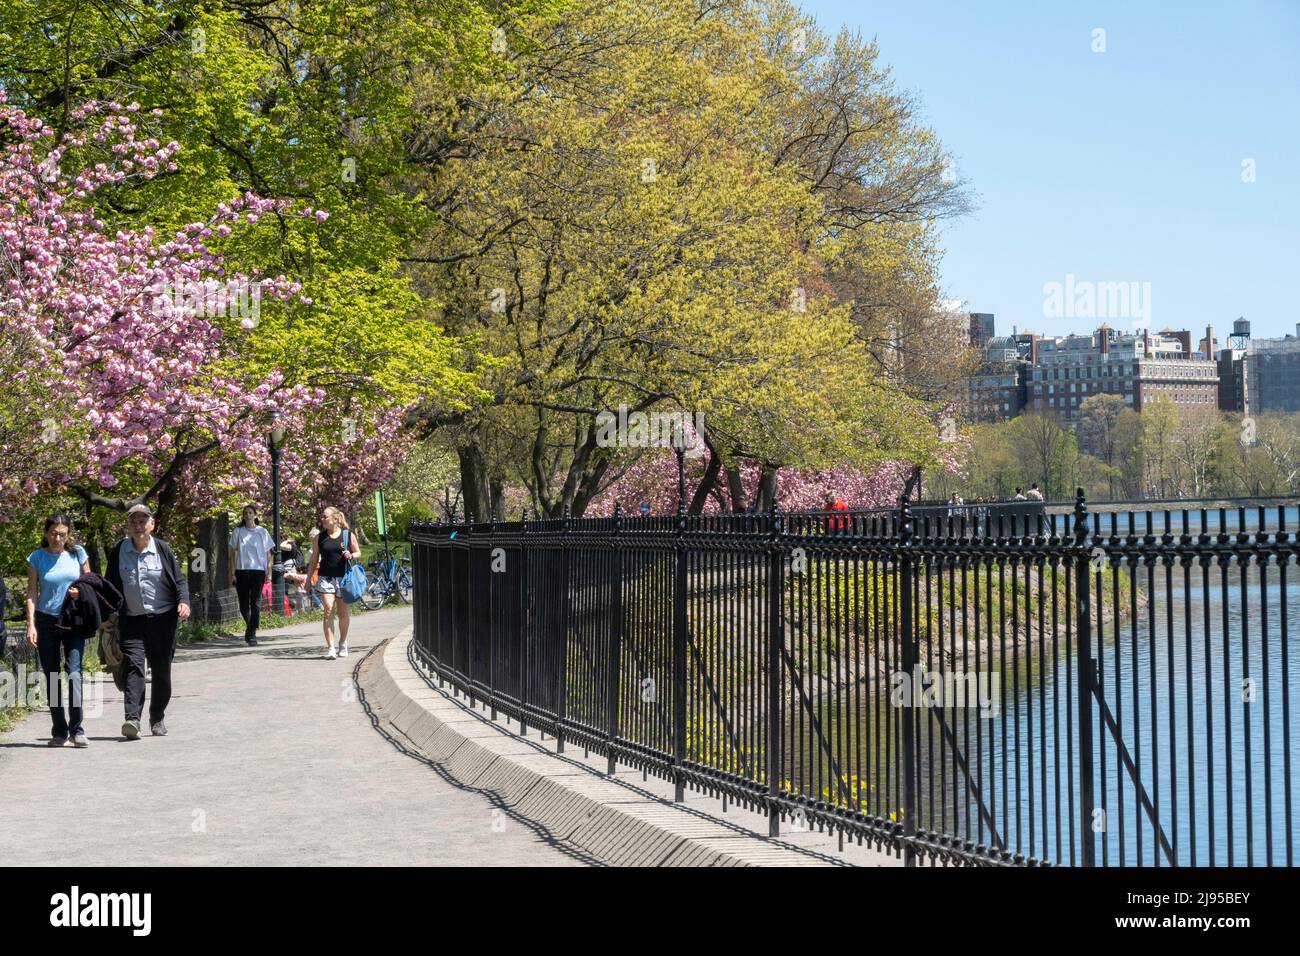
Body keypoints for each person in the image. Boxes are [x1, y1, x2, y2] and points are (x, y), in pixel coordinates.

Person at [105, 503, 191, 740]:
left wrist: (184, 602)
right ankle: (132, 718)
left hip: (163, 620)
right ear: (128, 525)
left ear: (152, 525)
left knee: (162, 671)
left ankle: (157, 717)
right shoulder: (119, 550)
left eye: (143, 521)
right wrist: (107, 616)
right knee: (134, 666)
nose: (138, 525)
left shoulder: (162, 549)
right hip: (131, 620)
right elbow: (109, 586)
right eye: (133, 521)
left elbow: (180, 580)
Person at [25, 515, 91, 747]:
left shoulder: (78, 553)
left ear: (68, 534)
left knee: (74, 672)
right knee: (52, 675)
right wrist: (31, 624)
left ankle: (77, 729)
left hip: (73, 619)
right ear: (46, 533)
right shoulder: (36, 558)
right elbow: (32, 592)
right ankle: (59, 731)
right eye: (53, 533)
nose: (57, 538)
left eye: (62, 534)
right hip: (46, 620)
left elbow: (90, 584)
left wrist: (80, 593)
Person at [303, 507, 361, 659]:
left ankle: (343, 642)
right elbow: (314, 559)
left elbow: (358, 552)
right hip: (326, 578)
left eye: (325, 516)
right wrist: (308, 579)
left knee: (343, 613)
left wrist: (351, 555)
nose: (322, 519)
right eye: (321, 516)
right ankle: (331, 648)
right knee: (328, 609)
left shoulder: (347, 535)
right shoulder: (319, 538)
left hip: (343, 578)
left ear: (335, 519)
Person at [228, 505, 274, 646]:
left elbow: (268, 553)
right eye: (245, 513)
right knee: (243, 605)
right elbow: (231, 553)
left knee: (255, 602)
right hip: (242, 570)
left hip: (258, 571)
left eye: (250, 512)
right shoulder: (238, 531)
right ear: (243, 516)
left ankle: (252, 634)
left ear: (255, 515)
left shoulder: (262, 532)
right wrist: (232, 572)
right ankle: (250, 626)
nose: (248, 515)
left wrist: (269, 571)